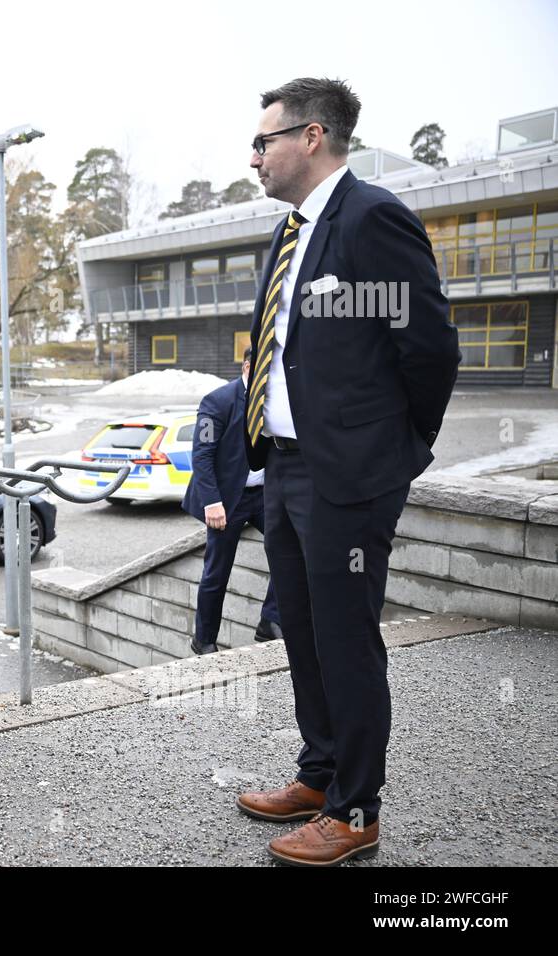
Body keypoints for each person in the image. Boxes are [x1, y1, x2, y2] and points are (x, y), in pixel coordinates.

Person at [237, 78, 460, 865]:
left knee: (346, 639)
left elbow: (430, 348)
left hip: (350, 478)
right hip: (288, 468)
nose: (254, 156)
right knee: (300, 630)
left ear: (313, 136)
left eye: (263, 140)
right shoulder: (290, 231)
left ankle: (357, 810)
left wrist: (397, 453)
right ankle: (321, 772)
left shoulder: (373, 219)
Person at [182, 347, 282, 655]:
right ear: (248, 367)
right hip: (227, 502)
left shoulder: (275, 400)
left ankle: (270, 621)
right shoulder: (217, 401)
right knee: (217, 571)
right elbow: (202, 454)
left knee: (294, 550)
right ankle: (204, 639)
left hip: (265, 496)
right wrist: (212, 501)